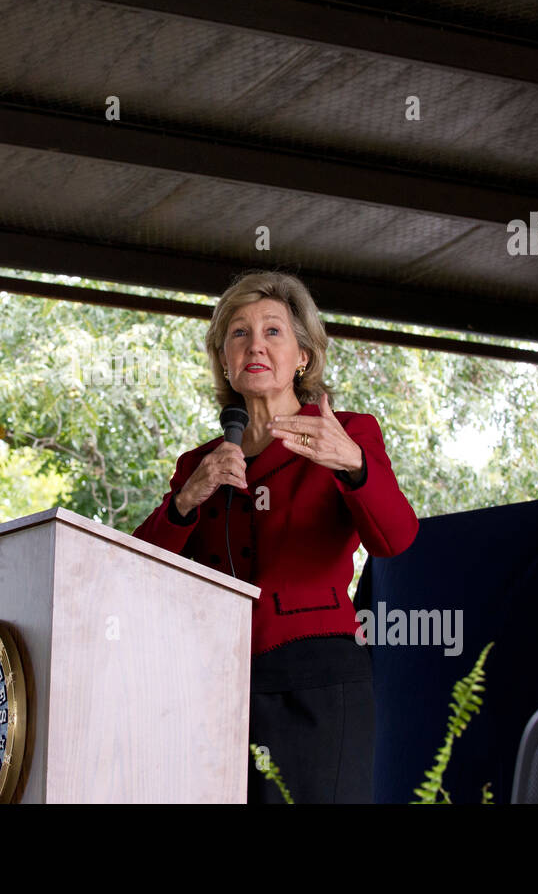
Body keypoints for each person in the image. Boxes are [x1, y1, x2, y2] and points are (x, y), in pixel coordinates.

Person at [132, 270, 420, 803]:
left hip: (317, 683)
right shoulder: (199, 464)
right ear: (224, 359)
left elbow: (397, 539)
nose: (254, 344)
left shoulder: (348, 432)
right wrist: (185, 501)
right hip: (215, 688)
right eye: (238, 334)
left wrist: (354, 465)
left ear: (303, 357)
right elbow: (138, 572)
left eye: (273, 331)